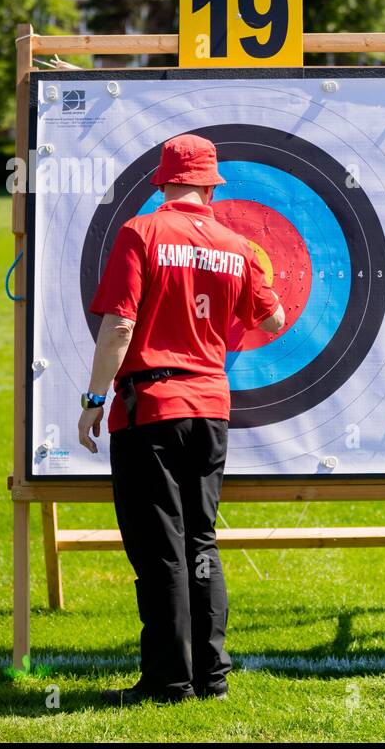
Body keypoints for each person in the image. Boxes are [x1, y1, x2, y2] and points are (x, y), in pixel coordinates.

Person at [78, 133, 285, 705]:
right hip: (211, 410)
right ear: (211, 184)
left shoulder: (141, 233)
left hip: (152, 411)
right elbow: (274, 320)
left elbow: (119, 326)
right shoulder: (237, 246)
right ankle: (210, 679)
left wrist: (94, 401)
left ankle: (169, 682)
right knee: (200, 542)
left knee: (160, 548)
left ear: (165, 181)